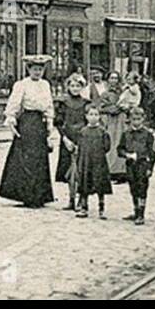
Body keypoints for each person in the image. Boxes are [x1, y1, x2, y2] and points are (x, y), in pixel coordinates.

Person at [0, 54, 57, 208]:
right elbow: (14, 103)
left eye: (40, 69)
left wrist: (50, 123)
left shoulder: (45, 85)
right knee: (26, 159)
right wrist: (11, 119)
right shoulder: (22, 85)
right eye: (35, 69)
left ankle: (40, 195)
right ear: (29, 70)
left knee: (40, 159)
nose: (37, 72)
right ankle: (26, 195)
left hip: (40, 123)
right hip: (27, 122)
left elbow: (49, 105)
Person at [54, 73, 91, 210]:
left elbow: (90, 122)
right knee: (69, 170)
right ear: (68, 86)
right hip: (67, 138)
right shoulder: (63, 103)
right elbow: (58, 122)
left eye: (78, 86)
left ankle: (82, 199)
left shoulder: (86, 103)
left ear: (82, 87)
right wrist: (64, 138)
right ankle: (71, 199)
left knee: (81, 170)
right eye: (72, 85)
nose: (75, 88)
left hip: (82, 138)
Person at [117, 106, 155, 225]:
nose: (136, 121)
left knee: (142, 188)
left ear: (143, 119)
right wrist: (127, 155)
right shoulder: (126, 133)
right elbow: (119, 149)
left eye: (138, 119)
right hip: (130, 165)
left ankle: (141, 214)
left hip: (143, 164)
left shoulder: (148, 134)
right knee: (133, 188)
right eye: (134, 119)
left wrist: (150, 168)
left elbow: (153, 153)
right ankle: (135, 210)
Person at [75, 104, 113, 218]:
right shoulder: (83, 131)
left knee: (100, 184)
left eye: (96, 114)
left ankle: (101, 209)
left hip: (99, 162)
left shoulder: (102, 132)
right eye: (91, 114)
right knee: (85, 184)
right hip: (86, 162)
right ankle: (84, 207)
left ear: (99, 116)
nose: (93, 117)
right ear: (86, 116)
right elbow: (80, 146)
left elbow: (107, 147)